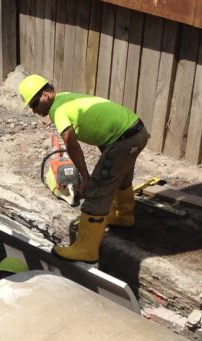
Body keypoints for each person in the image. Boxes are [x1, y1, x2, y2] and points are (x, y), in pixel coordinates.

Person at [17, 74, 149, 263]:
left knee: (97, 190)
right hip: (136, 131)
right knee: (120, 174)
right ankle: (123, 214)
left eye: (34, 103)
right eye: (31, 106)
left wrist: (86, 178)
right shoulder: (67, 97)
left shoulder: (58, 110)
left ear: (45, 94)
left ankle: (86, 249)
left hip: (124, 138)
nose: (34, 110)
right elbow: (100, 126)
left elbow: (71, 145)